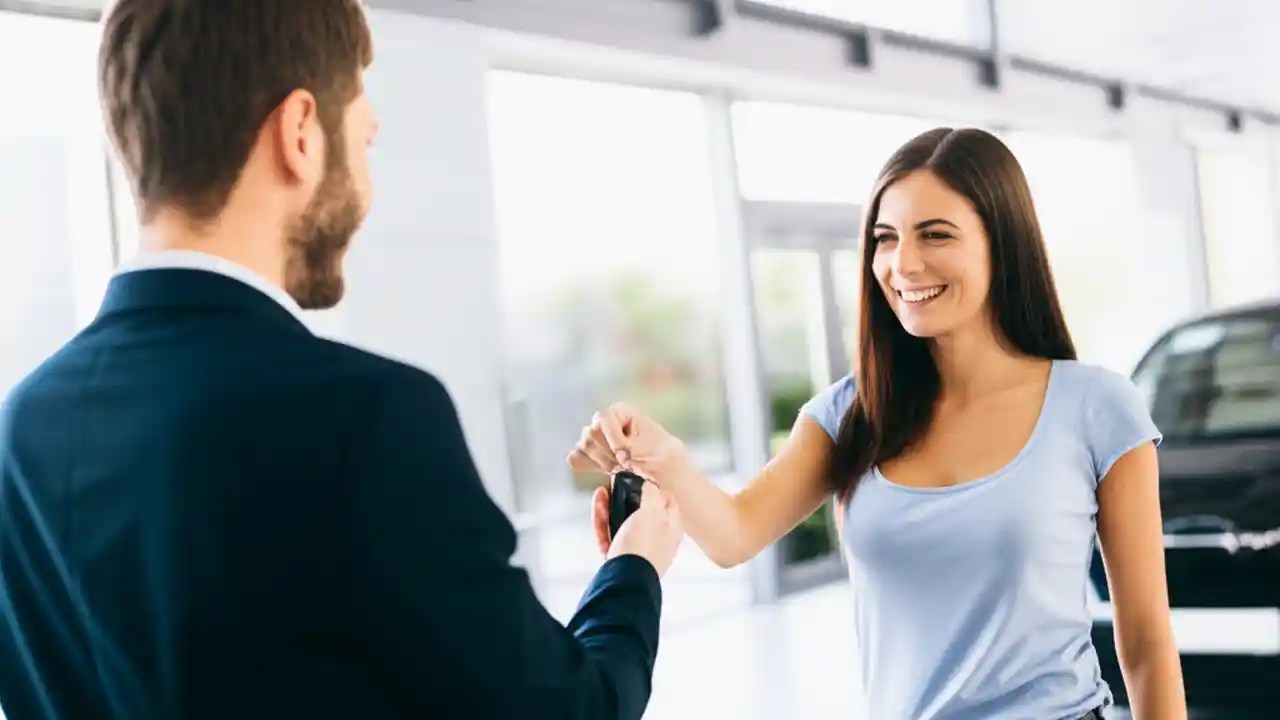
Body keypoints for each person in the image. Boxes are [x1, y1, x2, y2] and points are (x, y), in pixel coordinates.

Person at [0, 1, 682, 718]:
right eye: (363, 140)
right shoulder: (366, 422)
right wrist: (635, 568)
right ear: (300, 132)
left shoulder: (19, 432)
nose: (365, 187)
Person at [571, 128, 1187, 719]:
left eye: (935, 234)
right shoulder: (849, 416)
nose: (904, 264)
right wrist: (662, 456)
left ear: (1003, 241)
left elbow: (1145, 646)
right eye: (885, 238)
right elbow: (734, 535)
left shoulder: (1097, 407)